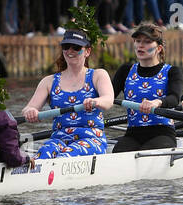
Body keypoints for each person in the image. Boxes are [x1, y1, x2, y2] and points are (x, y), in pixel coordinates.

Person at [21, 30, 116, 158]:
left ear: (87, 51)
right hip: (59, 139)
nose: (70, 51)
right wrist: (30, 111)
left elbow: (108, 100)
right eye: (66, 47)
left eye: (76, 48)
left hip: (92, 139)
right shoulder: (48, 81)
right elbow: (28, 108)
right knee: (43, 154)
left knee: (67, 155)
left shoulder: (98, 75)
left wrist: (96, 101)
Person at [112, 23, 183, 152]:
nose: (140, 45)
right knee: (118, 152)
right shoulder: (125, 70)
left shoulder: (171, 71)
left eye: (147, 42)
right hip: (133, 133)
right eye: (138, 41)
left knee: (147, 151)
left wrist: (157, 102)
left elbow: (174, 98)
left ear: (159, 48)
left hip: (162, 133)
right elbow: (108, 97)